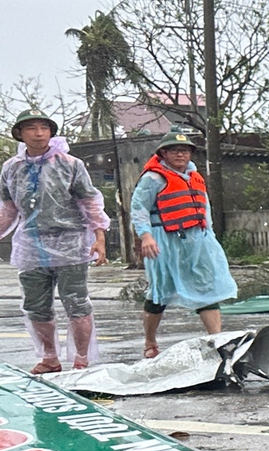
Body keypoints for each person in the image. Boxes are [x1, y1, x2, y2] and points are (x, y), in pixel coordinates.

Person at [0, 110, 109, 372]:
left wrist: (99, 236)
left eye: (43, 128)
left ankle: (81, 358)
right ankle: (49, 356)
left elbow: (89, 201)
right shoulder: (11, 168)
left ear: (51, 132)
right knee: (36, 306)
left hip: (69, 242)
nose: (38, 134)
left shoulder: (70, 164)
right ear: (20, 134)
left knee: (76, 302)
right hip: (31, 245)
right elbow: (9, 208)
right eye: (31, 128)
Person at [131, 132, 236, 359]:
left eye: (185, 150)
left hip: (197, 240)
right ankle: (150, 341)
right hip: (164, 240)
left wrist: (210, 236)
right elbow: (138, 209)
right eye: (174, 150)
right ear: (164, 153)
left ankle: (217, 341)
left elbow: (204, 208)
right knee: (160, 291)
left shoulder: (194, 176)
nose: (180, 154)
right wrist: (145, 237)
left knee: (206, 287)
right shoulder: (153, 178)